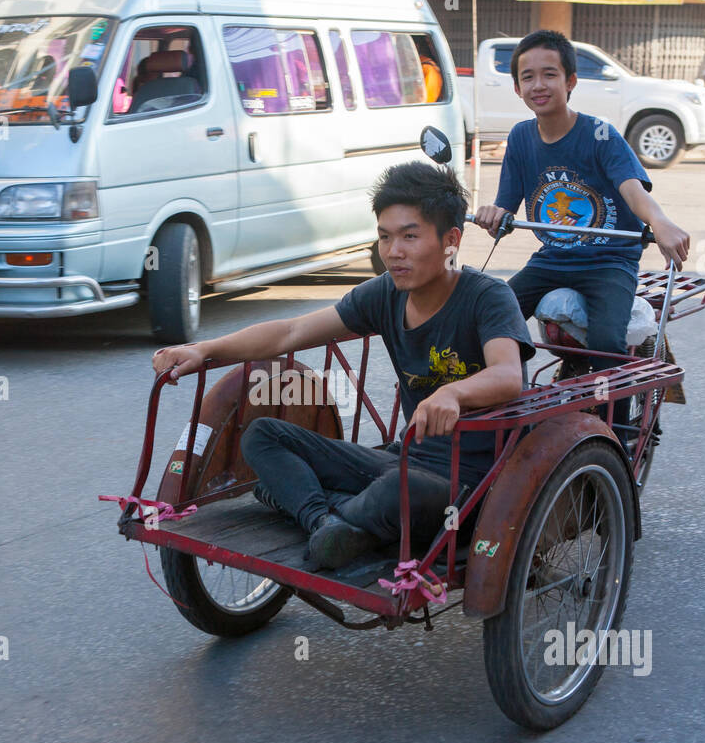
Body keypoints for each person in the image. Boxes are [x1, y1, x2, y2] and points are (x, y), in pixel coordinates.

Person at [152, 162, 533, 569]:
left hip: (472, 483)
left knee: (391, 491)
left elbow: (508, 375)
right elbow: (291, 331)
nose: (394, 252)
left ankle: (313, 508)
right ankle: (326, 522)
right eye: (385, 237)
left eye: (410, 236)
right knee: (264, 435)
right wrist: (206, 350)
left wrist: (453, 392)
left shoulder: (487, 297)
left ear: (450, 241)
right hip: (404, 459)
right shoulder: (385, 293)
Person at [473, 30, 689, 380]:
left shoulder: (600, 134)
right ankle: (509, 398)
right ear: (516, 88)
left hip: (609, 262)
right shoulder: (520, 137)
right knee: (493, 316)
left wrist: (659, 221)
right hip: (552, 258)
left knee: (605, 344)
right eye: (527, 77)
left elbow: (633, 189)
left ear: (570, 80)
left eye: (550, 74)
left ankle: (613, 429)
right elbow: (505, 209)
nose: (538, 85)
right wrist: (493, 213)